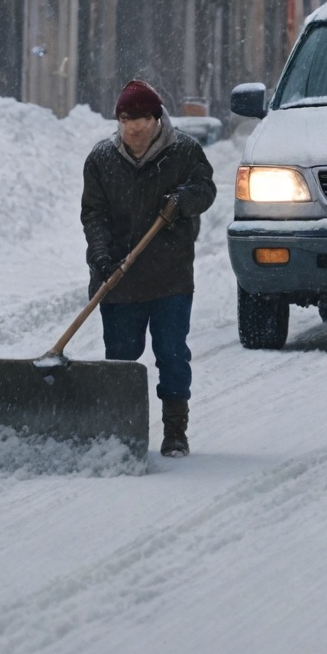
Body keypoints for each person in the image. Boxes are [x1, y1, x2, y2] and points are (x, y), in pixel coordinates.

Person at [81, 80, 217, 457]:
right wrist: (101, 257)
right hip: (118, 277)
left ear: (157, 118)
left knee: (172, 353)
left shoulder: (184, 153)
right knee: (121, 357)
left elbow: (206, 190)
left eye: (141, 118)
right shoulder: (101, 160)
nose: (133, 127)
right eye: (125, 119)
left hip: (170, 276)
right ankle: (121, 431)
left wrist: (182, 200)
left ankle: (175, 431)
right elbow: (94, 215)